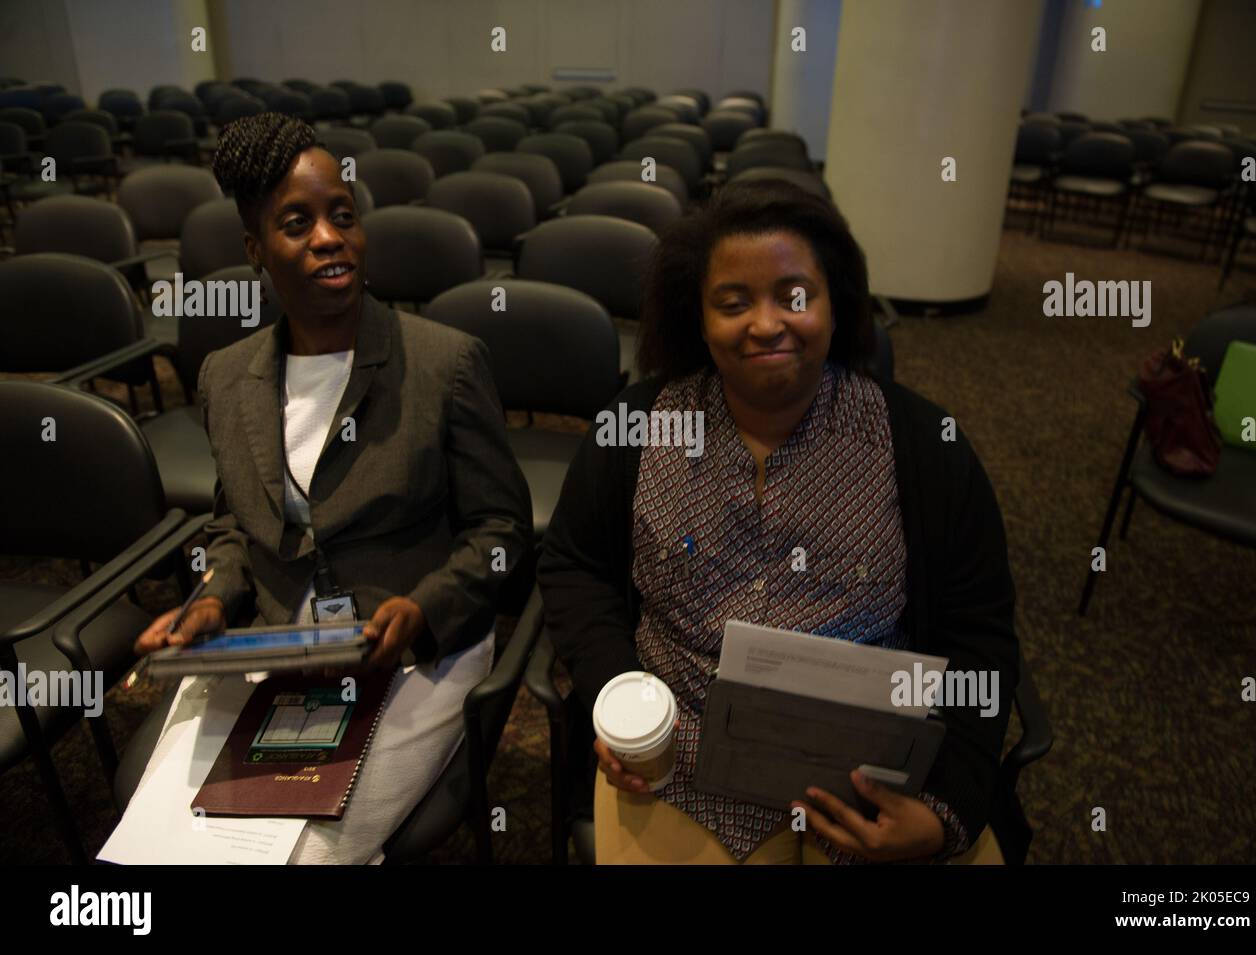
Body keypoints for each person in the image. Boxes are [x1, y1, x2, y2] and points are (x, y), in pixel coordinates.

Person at [538, 179, 1018, 865]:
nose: (766, 324)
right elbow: (573, 566)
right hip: (683, 766)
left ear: (836, 304)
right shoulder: (636, 428)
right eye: (733, 303)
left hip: (874, 776)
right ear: (698, 319)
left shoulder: (923, 444)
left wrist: (946, 810)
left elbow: (981, 633)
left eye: (794, 296)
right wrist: (621, 701)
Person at [130, 113, 533, 863]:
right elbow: (235, 527)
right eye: (297, 223)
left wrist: (426, 606)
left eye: (341, 215)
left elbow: (502, 535)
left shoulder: (443, 363)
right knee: (166, 846)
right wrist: (214, 595)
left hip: (415, 652)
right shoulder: (228, 376)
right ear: (256, 250)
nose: (328, 237)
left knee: (308, 853)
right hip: (278, 642)